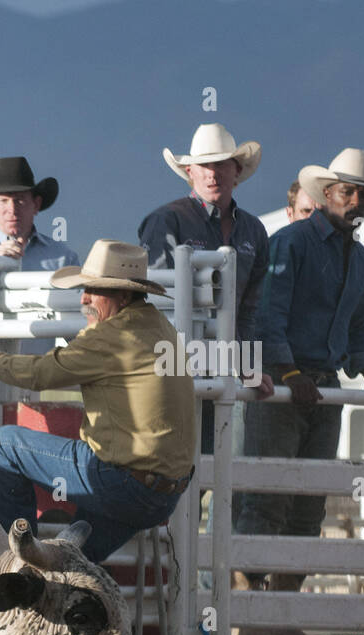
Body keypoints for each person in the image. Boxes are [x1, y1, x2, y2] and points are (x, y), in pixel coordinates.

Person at [233, 149, 364, 635]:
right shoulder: (291, 242)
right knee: (266, 498)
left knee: (307, 504)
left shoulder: (358, 256)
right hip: (287, 384)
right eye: (348, 192)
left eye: (363, 194)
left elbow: (357, 323)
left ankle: (276, 618)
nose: (357, 202)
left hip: (320, 386)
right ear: (327, 195)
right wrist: (287, 370)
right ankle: (253, 617)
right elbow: (269, 311)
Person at [0, 240, 194, 564]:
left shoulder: (110, 335)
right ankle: (39, 576)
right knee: (65, 566)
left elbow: (41, 373)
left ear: (123, 295)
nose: (84, 298)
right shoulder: (161, 327)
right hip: (162, 495)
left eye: (94, 290)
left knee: (5, 444)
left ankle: (10, 561)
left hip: (122, 483)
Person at [139, 124, 272, 457]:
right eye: (205, 166)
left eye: (221, 165)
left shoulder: (254, 231)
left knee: (206, 466)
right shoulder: (166, 220)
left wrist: (248, 365)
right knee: (167, 466)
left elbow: (249, 307)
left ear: (236, 171)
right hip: (171, 367)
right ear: (190, 172)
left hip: (219, 369)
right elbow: (158, 303)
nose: (213, 174)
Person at [0, 157, 79, 356]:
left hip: (30, 376)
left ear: (36, 204)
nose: (12, 209)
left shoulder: (63, 258)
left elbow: (76, 323)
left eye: (20, 199)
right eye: (3, 200)